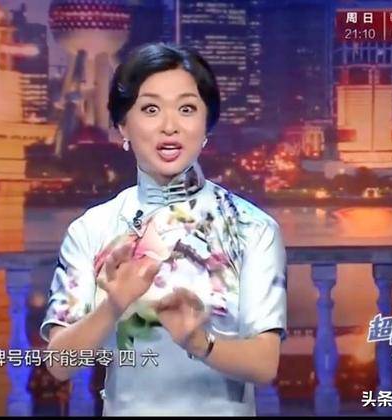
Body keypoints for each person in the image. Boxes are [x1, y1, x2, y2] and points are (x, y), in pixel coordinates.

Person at [40, 42, 287, 416]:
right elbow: (59, 364)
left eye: (186, 109)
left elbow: (265, 364)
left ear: (206, 125)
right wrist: (114, 304)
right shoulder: (92, 228)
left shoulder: (252, 228)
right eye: (150, 109)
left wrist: (198, 341)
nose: (170, 126)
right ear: (123, 125)